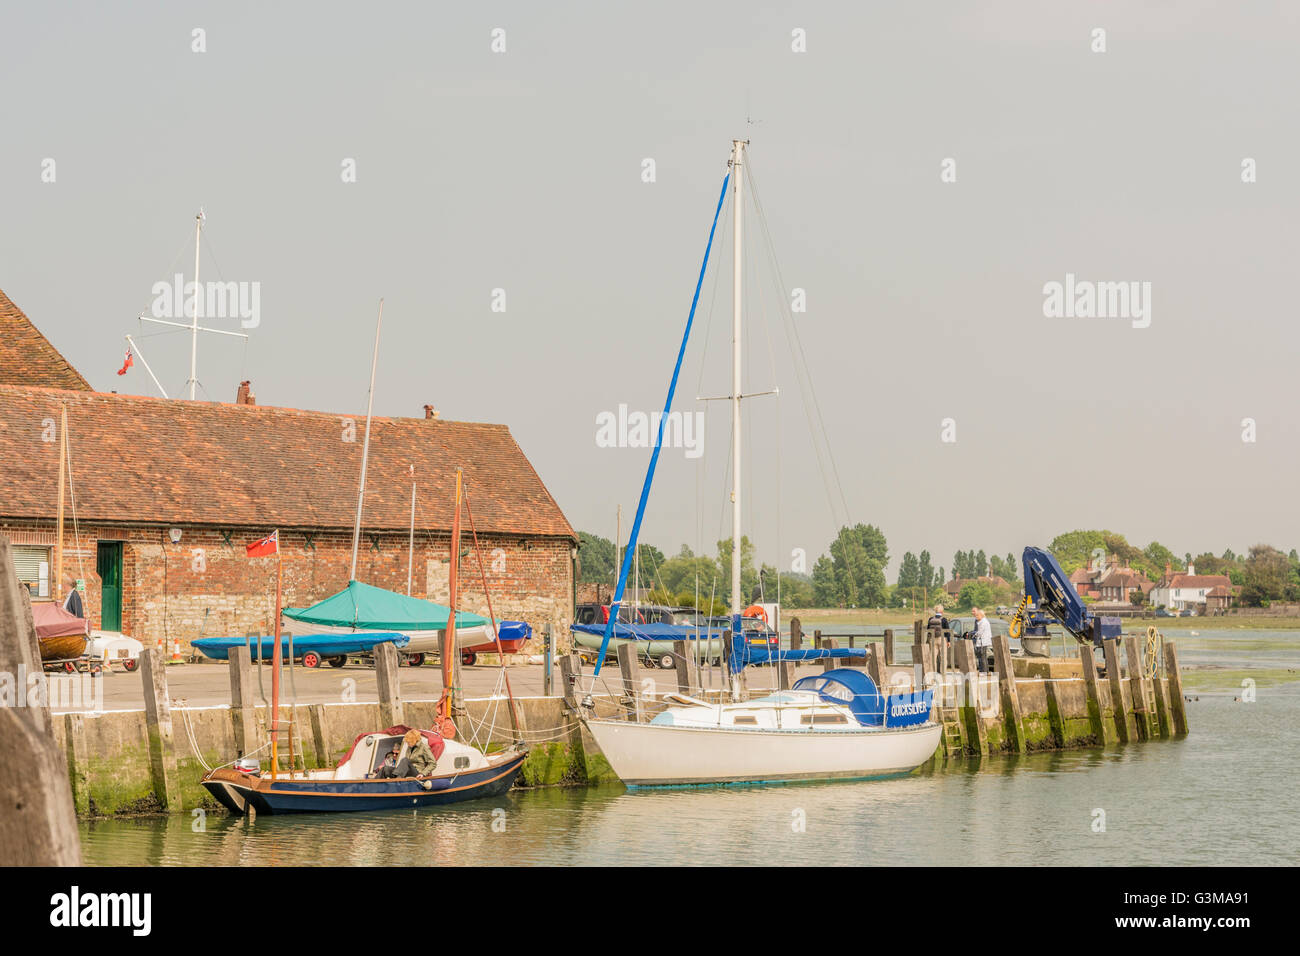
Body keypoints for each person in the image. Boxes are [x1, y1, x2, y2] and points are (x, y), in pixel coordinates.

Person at [971, 607, 993, 674]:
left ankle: (984, 671)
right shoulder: (981, 621)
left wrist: (973, 635)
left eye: (977, 615)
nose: (976, 616)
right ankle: (984, 670)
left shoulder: (983, 622)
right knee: (982, 657)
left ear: (981, 615)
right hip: (981, 641)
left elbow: (980, 632)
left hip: (983, 642)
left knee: (982, 657)